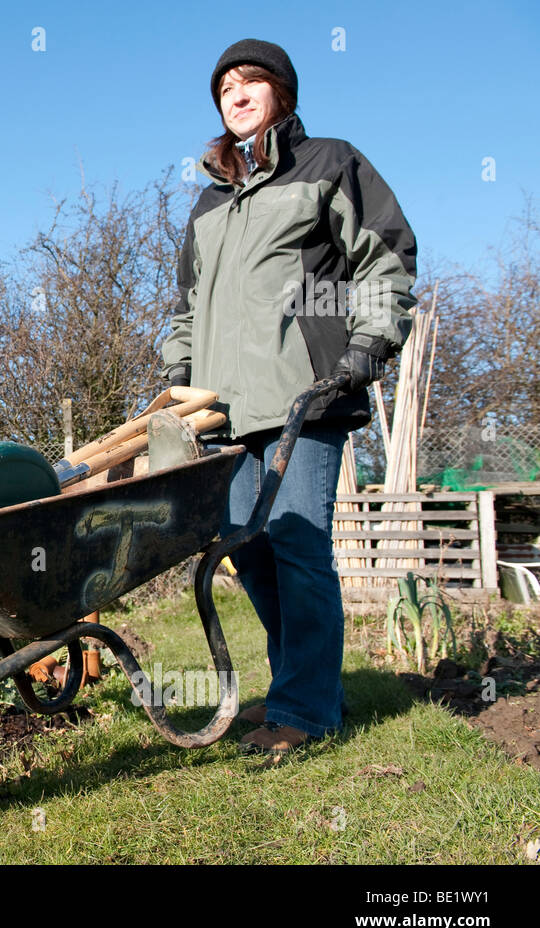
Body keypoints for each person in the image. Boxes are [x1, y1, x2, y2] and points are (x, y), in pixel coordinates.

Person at [160, 39, 417, 754]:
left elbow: (385, 255)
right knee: (251, 553)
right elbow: (187, 306)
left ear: (282, 92)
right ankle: (297, 690)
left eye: (251, 83)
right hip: (221, 409)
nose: (236, 95)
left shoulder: (329, 163)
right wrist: (176, 378)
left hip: (306, 393)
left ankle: (305, 712)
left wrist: (371, 342)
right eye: (225, 88)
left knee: (299, 546)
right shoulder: (211, 201)